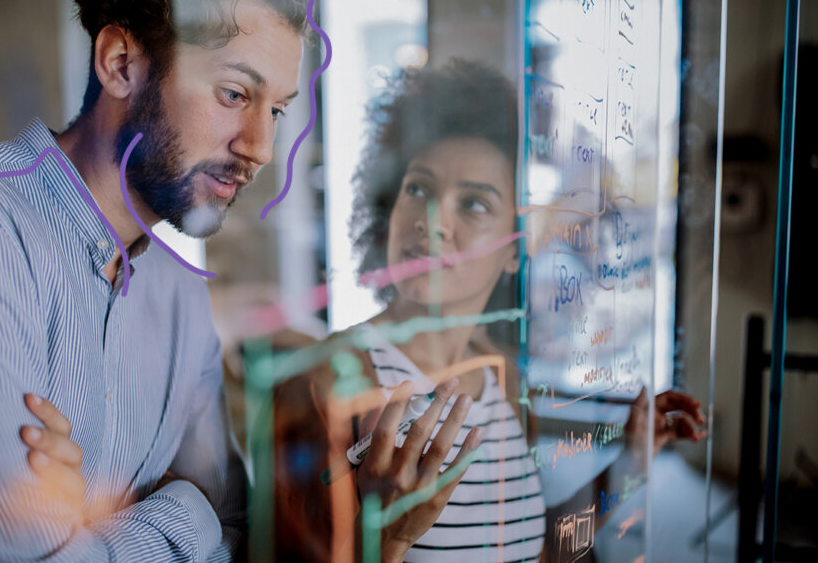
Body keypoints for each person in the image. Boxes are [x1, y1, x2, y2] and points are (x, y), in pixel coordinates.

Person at [0, 0, 310, 560]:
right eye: (235, 93)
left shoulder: (179, 289)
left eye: (276, 110)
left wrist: (90, 527)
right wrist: (184, 512)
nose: (259, 147)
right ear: (121, 64)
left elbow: (236, 526)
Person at [272, 60, 707, 563]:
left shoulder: (504, 378)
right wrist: (387, 540)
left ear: (513, 251)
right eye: (417, 189)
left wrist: (629, 466)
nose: (432, 222)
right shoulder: (326, 381)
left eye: (474, 204)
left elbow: (537, 551)